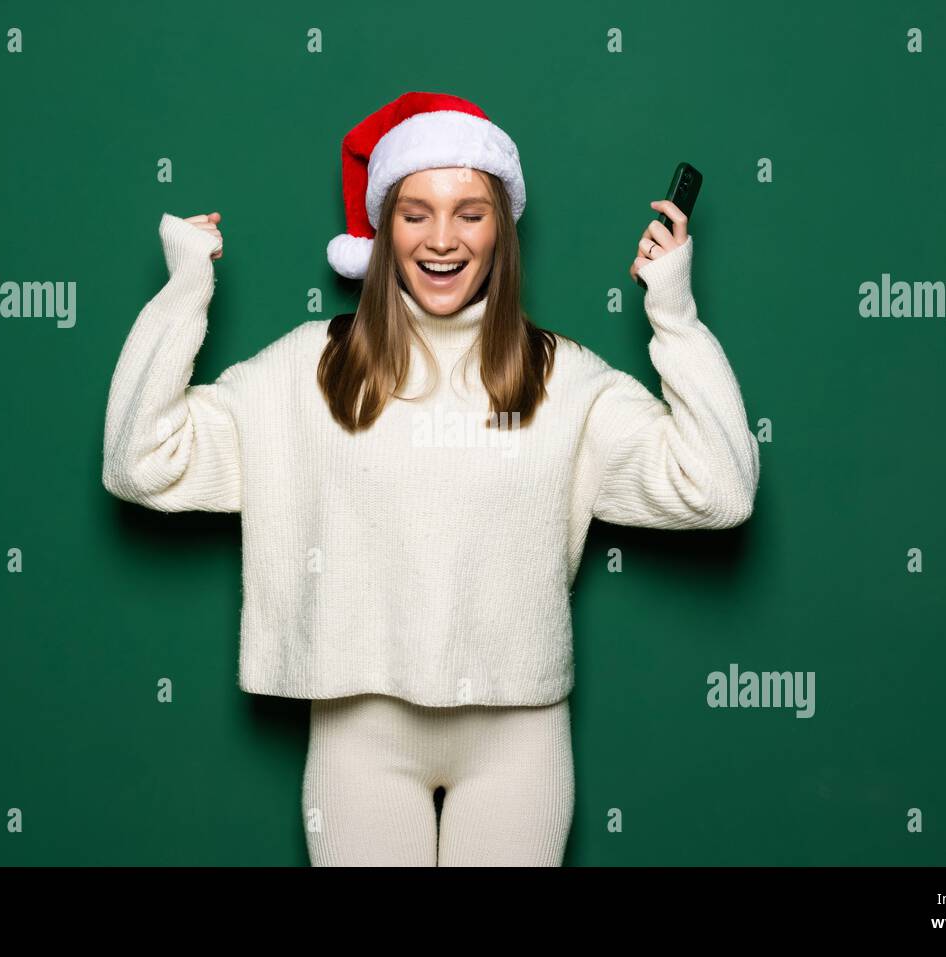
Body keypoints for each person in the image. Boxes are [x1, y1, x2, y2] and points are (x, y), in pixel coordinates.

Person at [102, 91, 760, 866]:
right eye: (416, 212)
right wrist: (185, 293)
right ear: (383, 231)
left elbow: (720, 489)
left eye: (470, 213)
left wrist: (674, 316)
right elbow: (138, 461)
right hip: (360, 738)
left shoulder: (565, 378)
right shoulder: (310, 368)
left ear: (502, 232)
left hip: (519, 740)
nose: (442, 239)